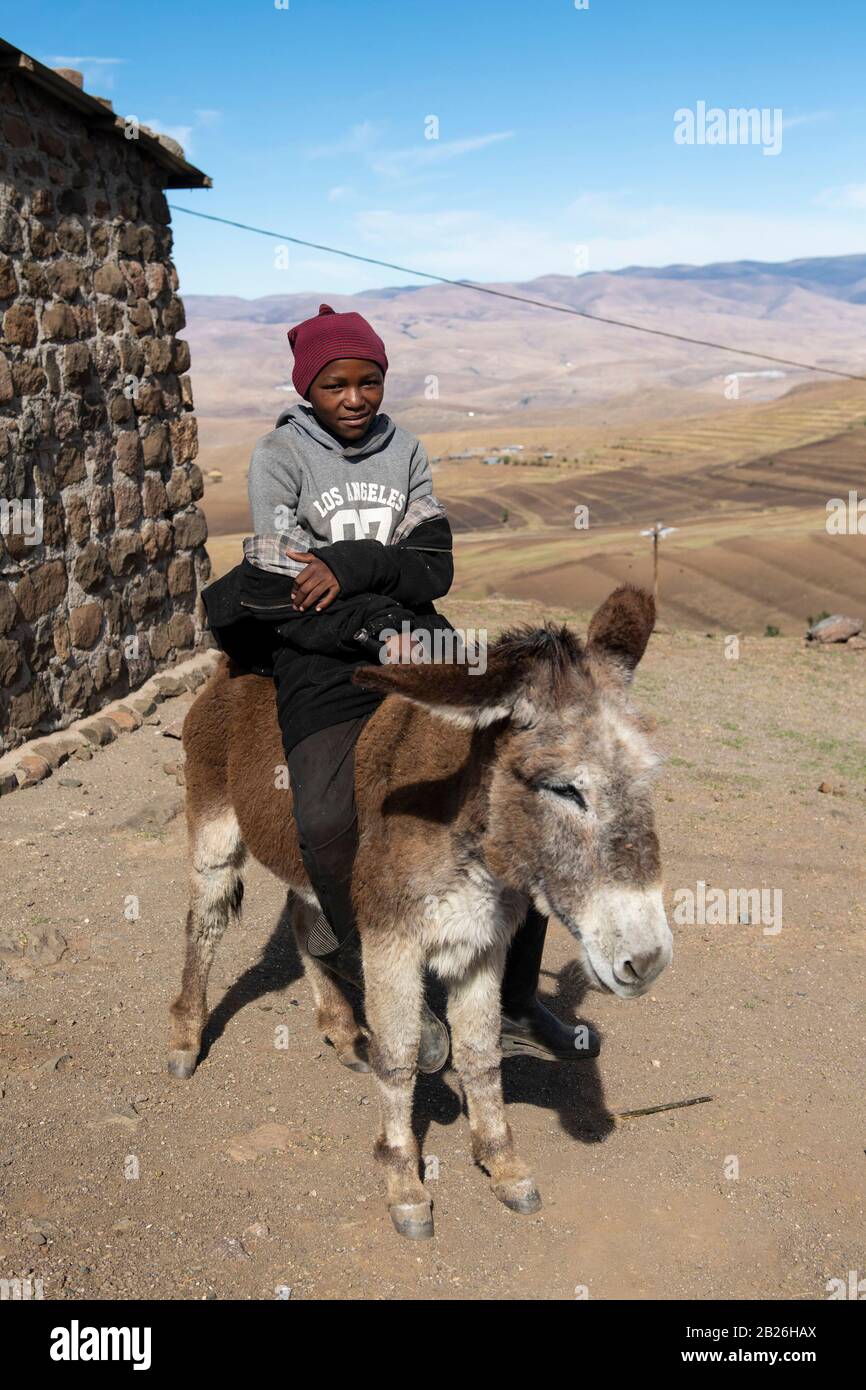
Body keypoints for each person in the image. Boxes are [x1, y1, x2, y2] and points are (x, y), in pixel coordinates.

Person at [202, 303, 600, 1071]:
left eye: (370, 381)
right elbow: (287, 589)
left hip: (418, 639)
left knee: (513, 791)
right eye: (336, 385)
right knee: (322, 816)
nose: (356, 399)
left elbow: (434, 567)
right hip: (317, 656)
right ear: (307, 388)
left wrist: (352, 569)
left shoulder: (405, 449)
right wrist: (379, 612)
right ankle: (370, 965)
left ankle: (514, 1001)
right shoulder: (278, 457)